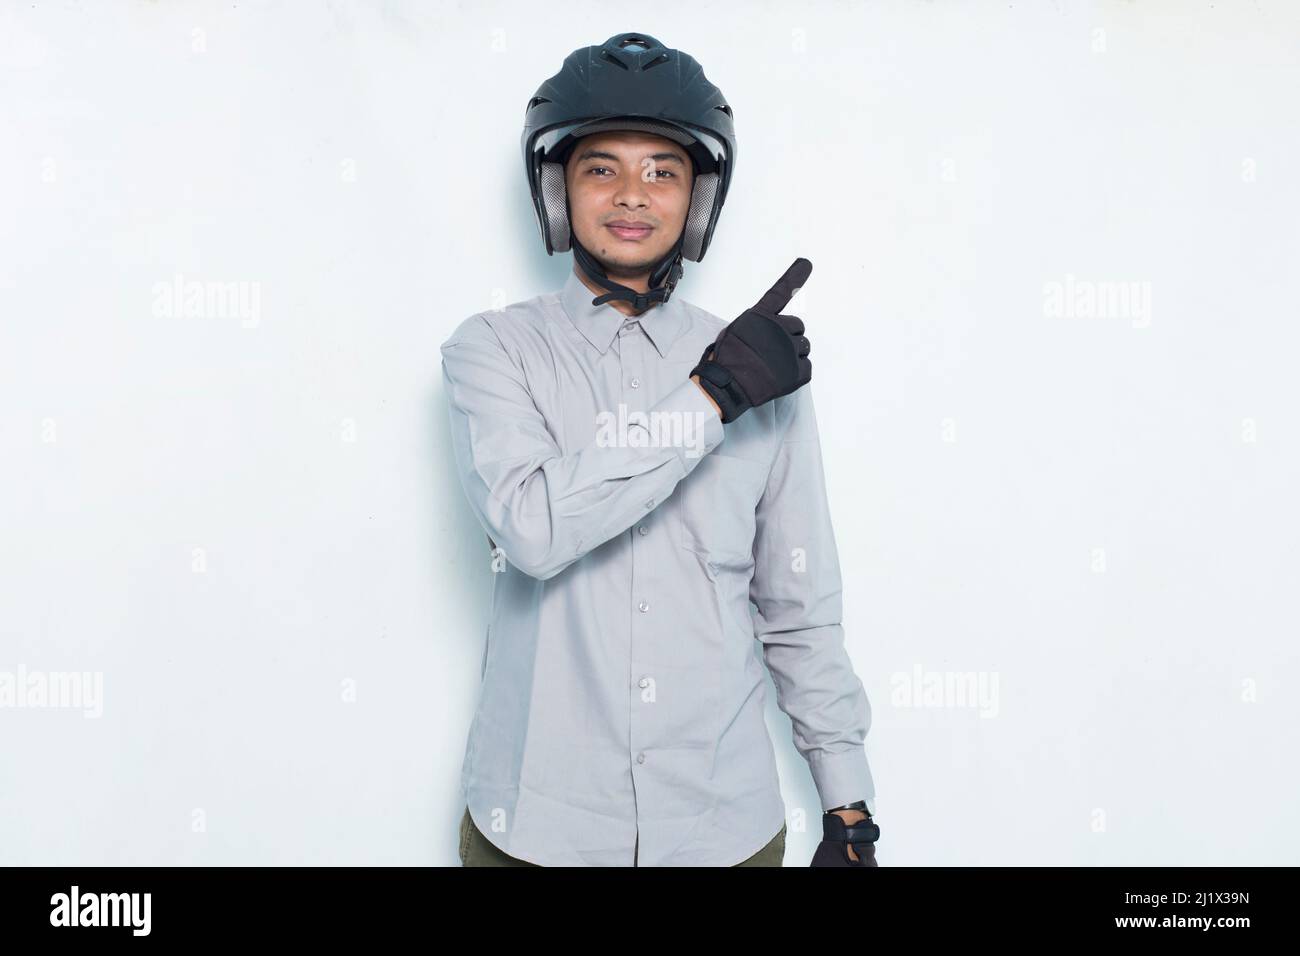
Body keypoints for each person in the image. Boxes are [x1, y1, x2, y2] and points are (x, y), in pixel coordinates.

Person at [440, 32, 879, 867]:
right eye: (602, 167)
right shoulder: (492, 352)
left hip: (723, 830)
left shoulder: (762, 368)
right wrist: (711, 399)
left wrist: (847, 804)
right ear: (559, 190)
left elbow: (798, 605)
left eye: (663, 171)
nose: (632, 195)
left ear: (697, 198)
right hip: (535, 831)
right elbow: (533, 530)